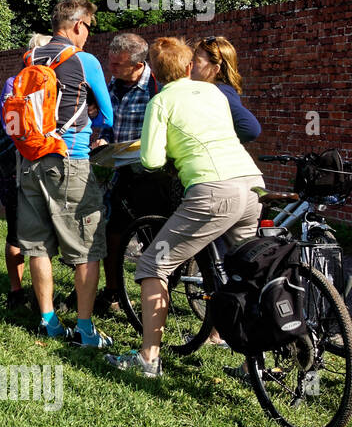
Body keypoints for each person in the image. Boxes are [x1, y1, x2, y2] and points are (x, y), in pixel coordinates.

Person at [107, 37, 265, 377]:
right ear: (190, 67)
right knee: (246, 271)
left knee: (153, 265)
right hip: (251, 185)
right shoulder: (213, 92)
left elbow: (150, 159)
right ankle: (258, 362)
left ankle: (148, 359)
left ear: (157, 75)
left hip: (211, 191)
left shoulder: (161, 101)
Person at [15, 0, 116, 347]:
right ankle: (86, 331)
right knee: (86, 247)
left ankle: (48, 320)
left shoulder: (31, 58)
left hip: (29, 159)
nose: (88, 35)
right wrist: (92, 123)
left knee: (39, 244)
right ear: (77, 25)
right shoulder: (84, 61)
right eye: (88, 27)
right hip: (69, 160)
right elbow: (108, 114)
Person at [96, 32, 175, 312]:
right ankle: (113, 291)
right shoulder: (112, 85)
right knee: (113, 231)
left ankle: (159, 295)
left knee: (154, 235)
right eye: (111, 62)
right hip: (120, 173)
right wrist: (102, 137)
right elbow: (106, 121)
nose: (112, 69)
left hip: (153, 175)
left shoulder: (159, 88)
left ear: (139, 64)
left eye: (118, 65)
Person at [0, 33, 50, 314]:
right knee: (15, 233)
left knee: (40, 235)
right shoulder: (14, 84)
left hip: (39, 167)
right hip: (17, 168)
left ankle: (36, 295)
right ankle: (16, 291)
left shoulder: (56, 84)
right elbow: (10, 126)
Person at [189, 36, 261, 142]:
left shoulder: (219, 92)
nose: (190, 64)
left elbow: (250, 129)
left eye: (196, 60)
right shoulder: (218, 90)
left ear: (215, 69)